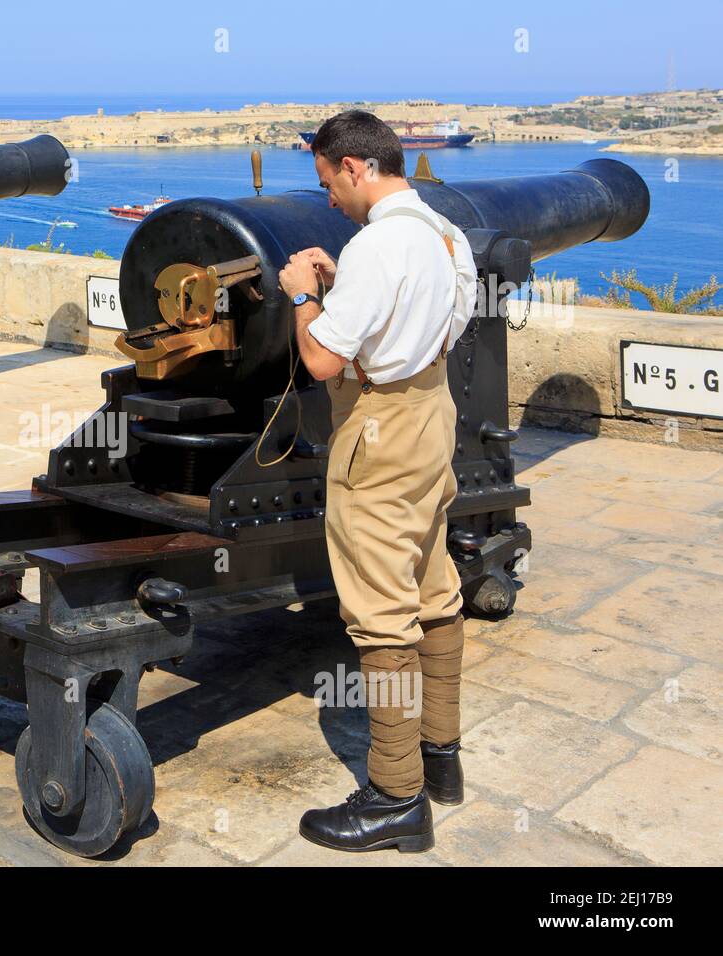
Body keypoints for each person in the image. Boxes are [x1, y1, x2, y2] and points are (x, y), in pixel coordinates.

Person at [277, 110, 479, 853]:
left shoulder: (374, 246)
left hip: (380, 431)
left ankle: (396, 795)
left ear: (356, 169)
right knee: (434, 586)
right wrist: (343, 286)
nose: (329, 196)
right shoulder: (442, 232)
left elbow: (325, 361)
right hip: (432, 415)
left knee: (380, 612)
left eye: (329, 181)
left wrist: (304, 294)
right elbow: (431, 323)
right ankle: (441, 758)